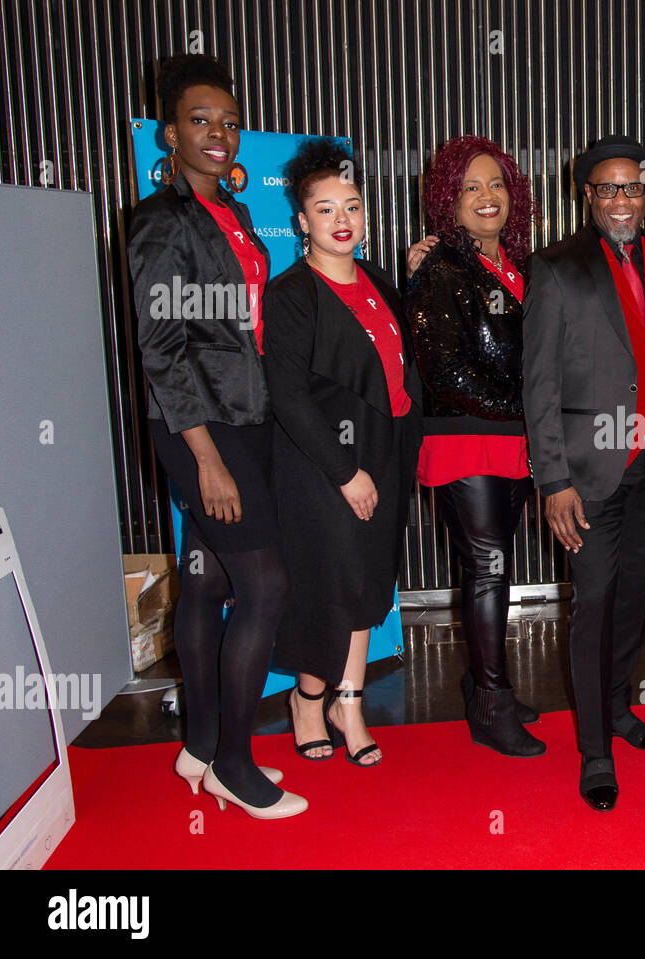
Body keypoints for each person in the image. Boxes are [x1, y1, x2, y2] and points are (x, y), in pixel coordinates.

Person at [128, 54, 303, 818]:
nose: (220, 134)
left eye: (230, 122)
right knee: (263, 584)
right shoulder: (160, 223)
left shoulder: (226, 214)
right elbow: (161, 348)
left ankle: (198, 742)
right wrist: (206, 459)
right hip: (202, 424)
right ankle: (235, 758)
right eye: (201, 121)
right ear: (169, 131)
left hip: (246, 413)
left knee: (205, 579)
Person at [523, 135, 645, 810]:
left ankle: (619, 710)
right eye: (607, 188)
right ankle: (595, 749)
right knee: (592, 607)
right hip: (587, 473)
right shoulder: (555, 267)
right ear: (585, 195)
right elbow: (538, 383)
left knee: (632, 602)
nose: (621, 200)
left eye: (633, 187)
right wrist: (552, 479)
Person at [265, 139, 422, 769]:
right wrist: (344, 472)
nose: (341, 219)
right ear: (301, 221)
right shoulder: (292, 294)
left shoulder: (380, 281)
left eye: (351, 206)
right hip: (323, 468)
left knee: (367, 588)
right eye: (324, 208)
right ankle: (308, 700)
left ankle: (347, 706)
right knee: (327, 588)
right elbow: (289, 396)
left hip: (386, 456)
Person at [406, 136, 542, 757]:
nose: (487, 198)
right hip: (470, 442)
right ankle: (490, 704)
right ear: (448, 201)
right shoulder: (440, 270)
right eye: (470, 188)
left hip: (510, 439)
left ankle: (487, 686)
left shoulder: (515, 265)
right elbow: (447, 374)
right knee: (486, 571)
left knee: (494, 569)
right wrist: (531, 413)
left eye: (496, 185)